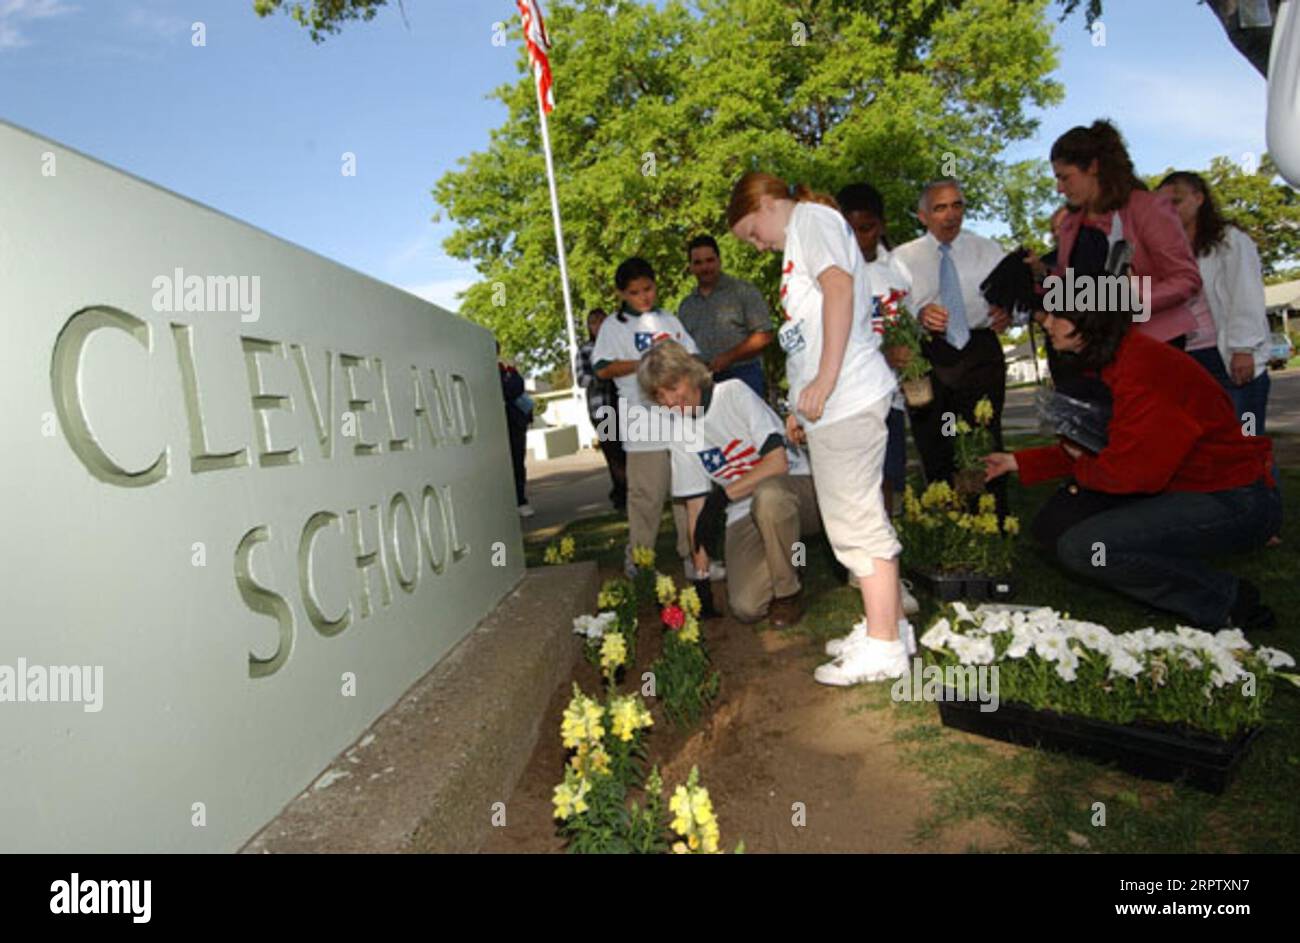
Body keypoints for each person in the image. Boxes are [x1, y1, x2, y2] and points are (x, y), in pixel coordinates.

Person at [983, 305, 1280, 631]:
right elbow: (1104, 447)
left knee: (1086, 547)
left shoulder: (1141, 367)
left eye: (1057, 316)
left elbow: (1133, 474)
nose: (1047, 323)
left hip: (1232, 498)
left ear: (1090, 321)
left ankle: (1226, 599)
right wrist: (1015, 462)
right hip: (1192, 488)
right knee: (1057, 523)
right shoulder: (1118, 359)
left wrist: (1083, 467)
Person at [728, 172, 916, 685]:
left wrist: (827, 379)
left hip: (849, 395)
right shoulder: (805, 234)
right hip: (833, 403)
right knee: (850, 520)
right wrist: (801, 405)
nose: (757, 244)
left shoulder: (811, 221)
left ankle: (884, 647)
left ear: (766, 204)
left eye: (751, 232)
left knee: (857, 522)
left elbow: (839, 290)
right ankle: (889, 627)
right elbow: (805, 335)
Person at [639, 340, 819, 626]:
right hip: (743, 510)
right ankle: (794, 557)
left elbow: (777, 463)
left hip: (795, 490)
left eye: (674, 388)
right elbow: (697, 506)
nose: (671, 402)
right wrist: (702, 582)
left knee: (768, 495)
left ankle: (788, 593)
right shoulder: (679, 433)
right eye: (661, 396)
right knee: (747, 606)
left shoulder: (733, 393)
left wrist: (722, 497)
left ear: (691, 375)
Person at [893, 178, 1012, 515]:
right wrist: (917, 313)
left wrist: (1009, 314)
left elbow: (1012, 298)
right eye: (940, 207)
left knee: (983, 437)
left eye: (957, 205)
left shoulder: (988, 250)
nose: (950, 215)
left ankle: (989, 519)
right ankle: (947, 519)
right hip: (928, 356)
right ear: (922, 215)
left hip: (980, 350)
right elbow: (890, 312)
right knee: (935, 440)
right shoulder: (902, 259)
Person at [837, 181, 920, 616]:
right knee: (861, 484)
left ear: (881, 226)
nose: (858, 239)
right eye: (849, 231)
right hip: (852, 397)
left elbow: (910, 324)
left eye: (866, 229)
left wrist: (912, 341)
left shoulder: (899, 271)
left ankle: (882, 567)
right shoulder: (835, 276)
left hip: (893, 397)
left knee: (888, 481)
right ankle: (869, 565)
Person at [1048, 121, 1203, 349]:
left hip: (1153, 345)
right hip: (1097, 352)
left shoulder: (1147, 208)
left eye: (1065, 177)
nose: (1059, 188)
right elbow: (1070, 287)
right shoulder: (1071, 224)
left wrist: (1129, 300)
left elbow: (1186, 278)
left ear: (1093, 167)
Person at [592, 257, 701, 577]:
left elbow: (693, 355)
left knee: (688, 488)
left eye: (648, 289)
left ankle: (694, 554)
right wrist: (644, 362)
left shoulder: (669, 320)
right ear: (622, 294)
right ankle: (640, 556)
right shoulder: (614, 326)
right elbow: (602, 367)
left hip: (681, 417)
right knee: (646, 495)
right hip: (642, 421)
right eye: (635, 292)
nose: (644, 297)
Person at [1156, 172, 1273, 431]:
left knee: (1246, 439)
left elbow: (1246, 294)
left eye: (1176, 201)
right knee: (1212, 448)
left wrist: (1243, 349)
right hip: (1189, 359)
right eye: (1163, 206)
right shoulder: (1165, 250)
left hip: (1229, 358)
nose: (1169, 211)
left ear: (1199, 199)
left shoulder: (1229, 240)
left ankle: (1261, 472)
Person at [677, 235, 774, 399]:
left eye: (709, 260)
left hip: (744, 375)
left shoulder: (743, 291)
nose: (705, 267)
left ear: (719, 261)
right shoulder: (686, 306)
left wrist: (728, 357)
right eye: (698, 263)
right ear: (691, 267)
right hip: (704, 383)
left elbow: (765, 335)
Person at [576, 308, 628, 510]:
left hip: (624, 406)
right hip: (602, 409)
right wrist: (604, 375)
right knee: (612, 452)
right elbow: (582, 378)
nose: (598, 326)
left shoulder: (618, 347)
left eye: (602, 321)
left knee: (627, 451)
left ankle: (627, 491)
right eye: (593, 322)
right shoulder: (586, 350)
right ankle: (621, 493)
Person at [497, 343, 534, 517]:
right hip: (494, 425)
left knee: (517, 462)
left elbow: (516, 388)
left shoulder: (508, 372)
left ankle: (520, 500)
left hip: (514, 423)